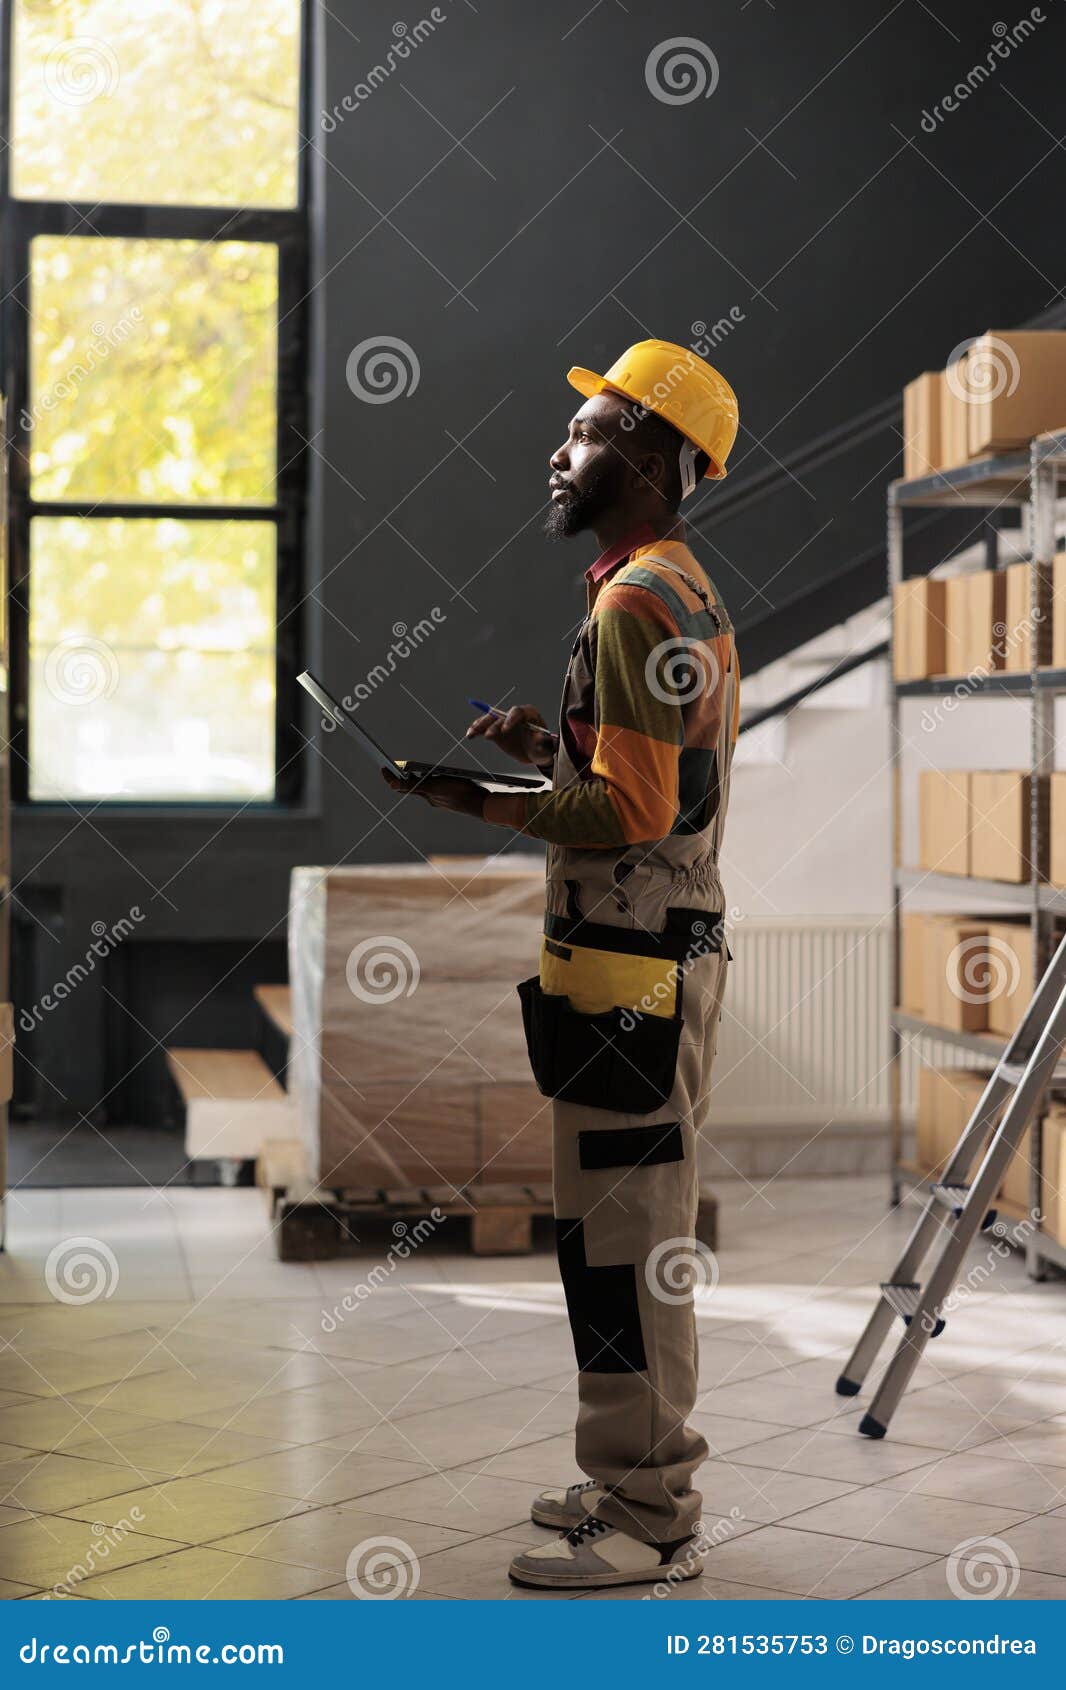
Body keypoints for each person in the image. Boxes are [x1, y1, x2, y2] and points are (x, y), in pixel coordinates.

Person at [384, 339, 740, 1591]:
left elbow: (627, 819)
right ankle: (622, 1470)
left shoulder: (634, 604)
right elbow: (650, 781)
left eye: (585, 433)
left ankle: (653, 1514)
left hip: (630, 960)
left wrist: (469, 796)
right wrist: (547, 746)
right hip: (646, 954)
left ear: (646, 458)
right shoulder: (674, 586)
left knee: (626, 1235)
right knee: (606, 1231)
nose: (560, 450)